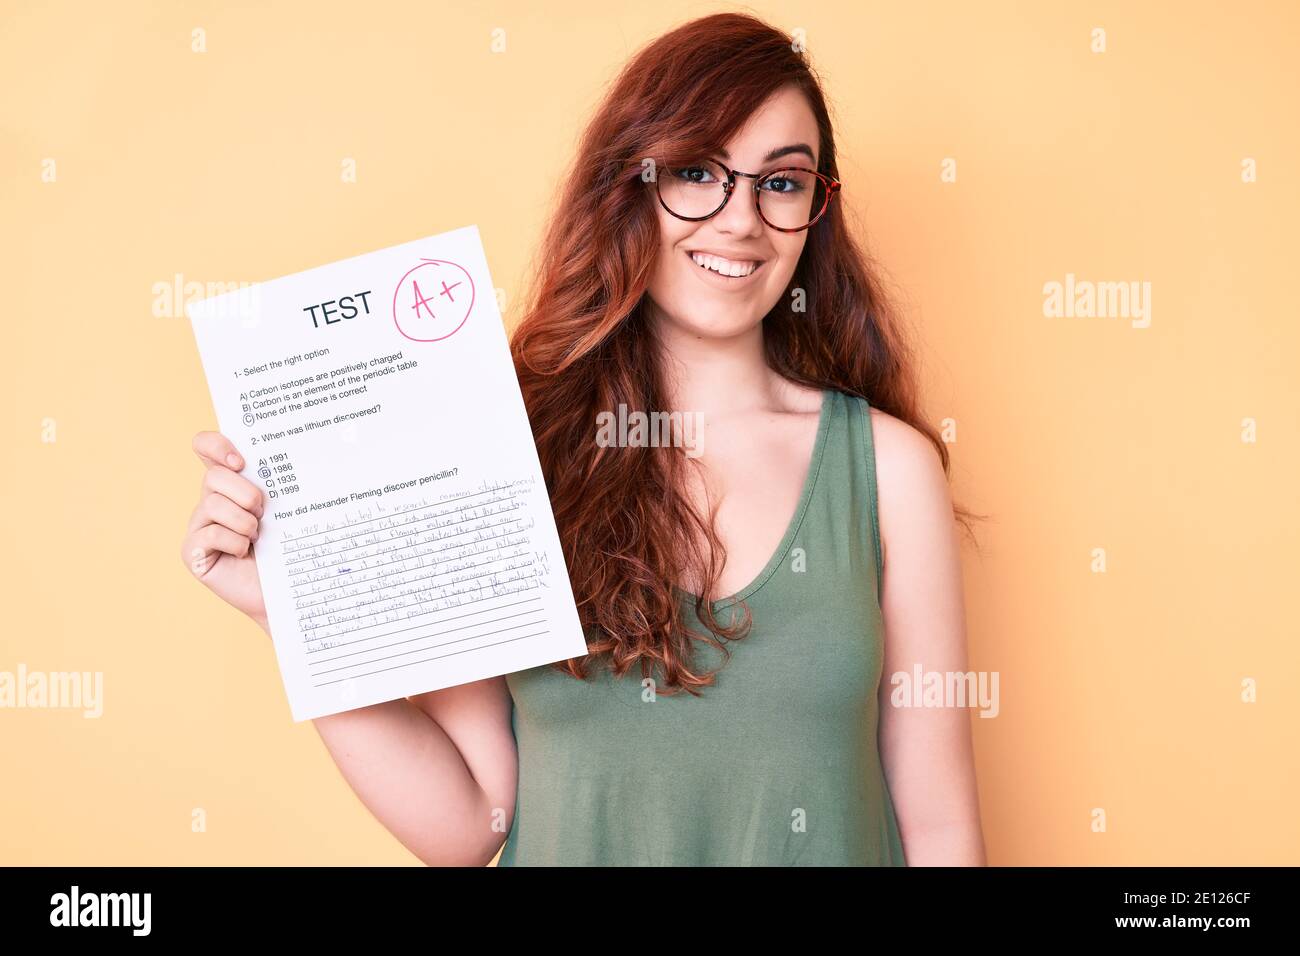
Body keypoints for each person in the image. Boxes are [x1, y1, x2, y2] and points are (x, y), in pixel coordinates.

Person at [181, 12, 985, 866]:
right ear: (628, 185)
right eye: (695, 172)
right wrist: (296, 612)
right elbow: (467, 825)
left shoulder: (887, 470)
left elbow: (938, 830)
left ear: (816, 211)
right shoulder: (503, 452)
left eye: (780, 183)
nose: (740, 218)